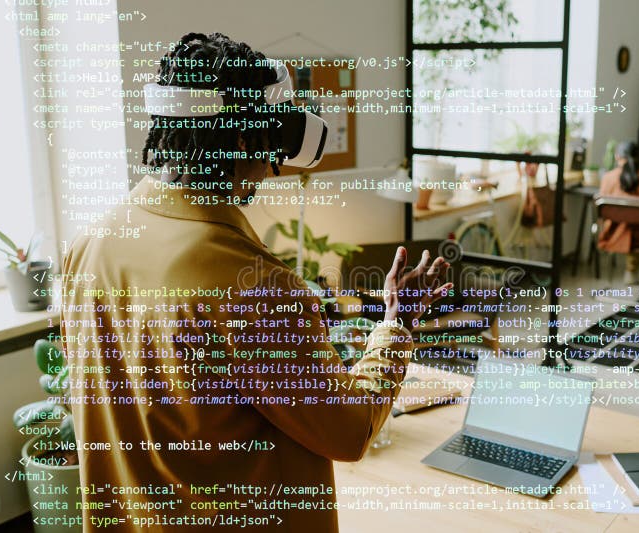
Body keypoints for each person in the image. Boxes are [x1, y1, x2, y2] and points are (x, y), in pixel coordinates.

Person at [61, 33, 452, 532]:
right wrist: (397, 326)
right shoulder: (255, 287)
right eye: (272, 144)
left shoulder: (88, 245)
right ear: (244, 140)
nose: (272, 169)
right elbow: (349, 433)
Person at [597, 141, 639, 284]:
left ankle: (624, 275)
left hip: (611, 234)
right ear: (638, 156)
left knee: (627, 226)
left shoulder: (608, 177)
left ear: (618, 157)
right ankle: (632, 271)